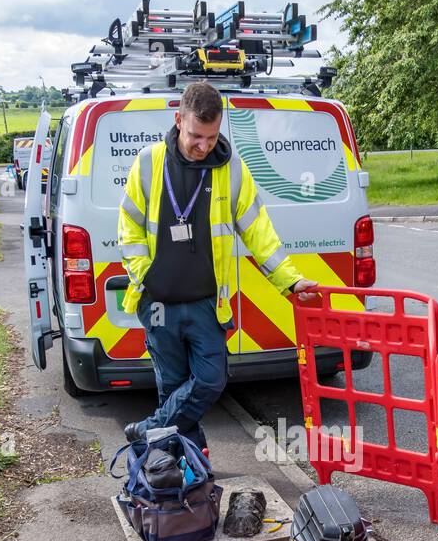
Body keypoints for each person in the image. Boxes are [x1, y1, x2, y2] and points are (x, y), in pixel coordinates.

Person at [117, 80, 319, 450]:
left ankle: (149, 431)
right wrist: (145, 275)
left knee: (211, 380)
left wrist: (290, 281)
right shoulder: (147, 163)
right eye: (196, 135)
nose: (203, 146)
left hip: (208, 304)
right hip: (159, 303)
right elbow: (128, 226)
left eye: (211, 137)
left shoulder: (232, 169)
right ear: (178, 120)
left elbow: (259, 230)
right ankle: (182, 470)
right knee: (174, 390)